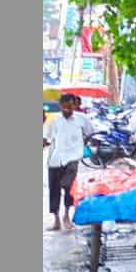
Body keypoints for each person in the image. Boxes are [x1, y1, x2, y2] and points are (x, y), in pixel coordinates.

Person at [43, 93, 90, 231]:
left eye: (70, 106)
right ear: (61, 106)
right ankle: (56, 219)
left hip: (72, 159)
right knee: (54, 189)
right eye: (65, 107)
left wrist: (81, 145)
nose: (68, 109)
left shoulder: (82, 119)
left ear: (75, 105)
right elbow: (46, 137)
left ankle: (66, 216)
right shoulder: (54, 120)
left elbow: (90, 133)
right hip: (55, 159)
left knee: (69, 187)